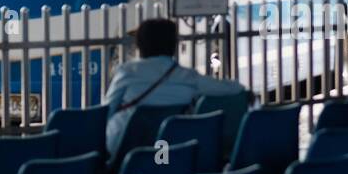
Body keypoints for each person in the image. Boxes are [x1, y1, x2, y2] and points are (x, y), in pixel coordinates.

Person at [103, 18, 246, 158]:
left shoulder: (127, 71)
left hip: (124, 147)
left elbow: (107, 110)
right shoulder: (187, 76)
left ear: (140, 45)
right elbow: (232, 88)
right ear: (173, 45)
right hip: (165, 147)